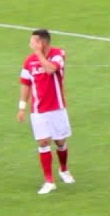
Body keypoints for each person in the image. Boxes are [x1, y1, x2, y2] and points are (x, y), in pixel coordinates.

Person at [17, 28, 73, 194]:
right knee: (43, 142)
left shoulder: (58, 54)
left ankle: (63, 170)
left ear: (41, 43)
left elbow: (50, 69)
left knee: (60, 142)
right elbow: (25, 85)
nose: (30, 44)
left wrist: (39, 54)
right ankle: (49, 181)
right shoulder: (28, 62)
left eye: (33, 41)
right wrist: (21, 107)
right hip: (39, 110)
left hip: (57, 107)